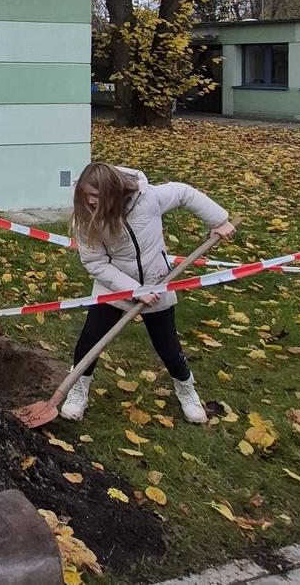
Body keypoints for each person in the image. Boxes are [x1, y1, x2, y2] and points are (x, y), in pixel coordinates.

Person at [62, 161, 235, 424]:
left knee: (168, 347)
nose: (90, 201)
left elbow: (184, 193)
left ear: (112, 192)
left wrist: (219, 221)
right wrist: (134, 290)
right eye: (86, 195)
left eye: (95, 195)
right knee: (90, 340)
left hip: (157, 283)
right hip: (114, 286)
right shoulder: (85, 217)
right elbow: (95, 263)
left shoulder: (148, 199)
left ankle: (187, 391)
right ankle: (77, 390)